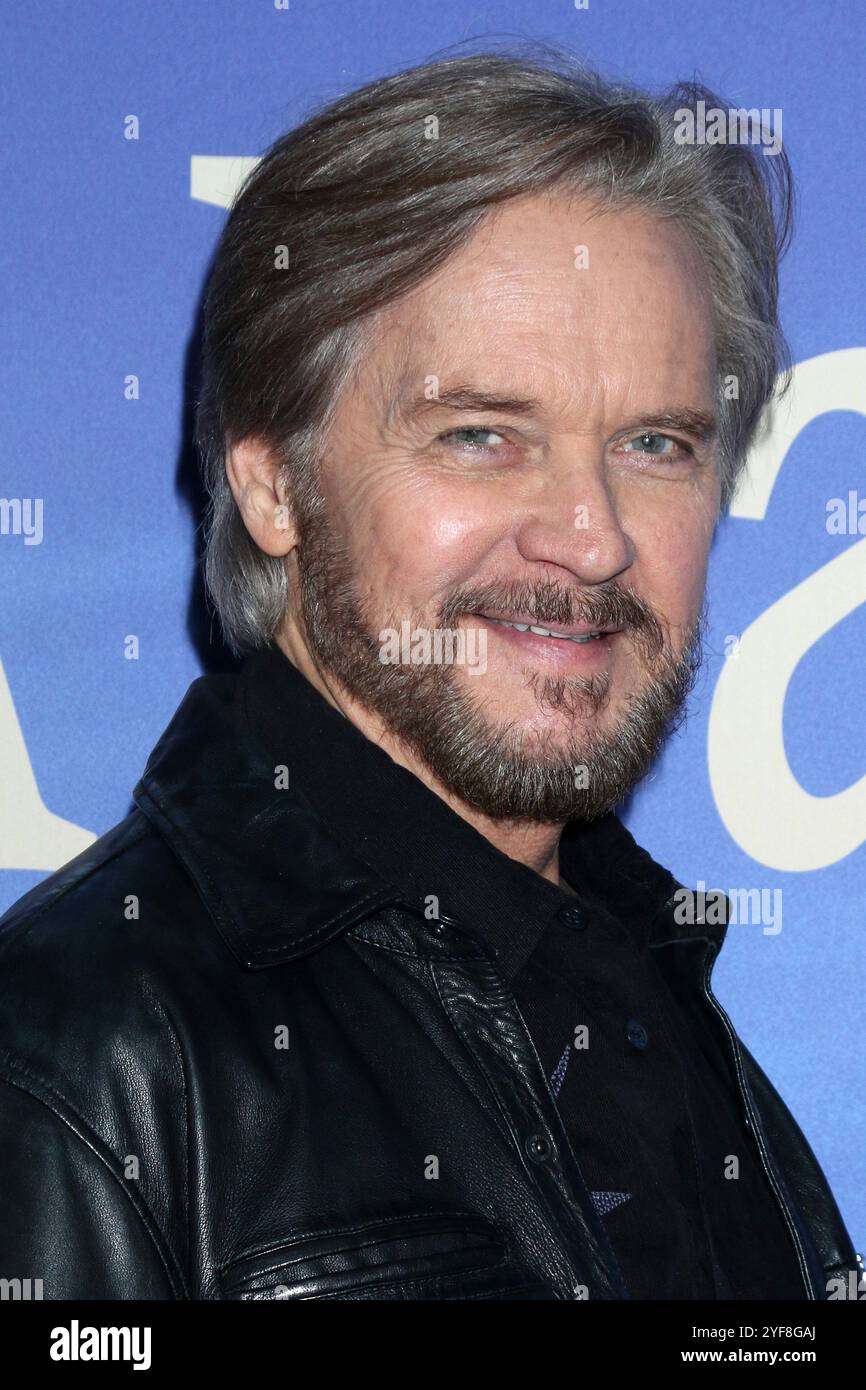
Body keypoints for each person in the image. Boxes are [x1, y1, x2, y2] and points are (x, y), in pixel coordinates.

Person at [0, 47, 858, 1300]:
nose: (592, 531)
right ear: (274, 485)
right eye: (479, 435)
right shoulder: (76, 1063)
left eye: (654, 442)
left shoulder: (653, 996)